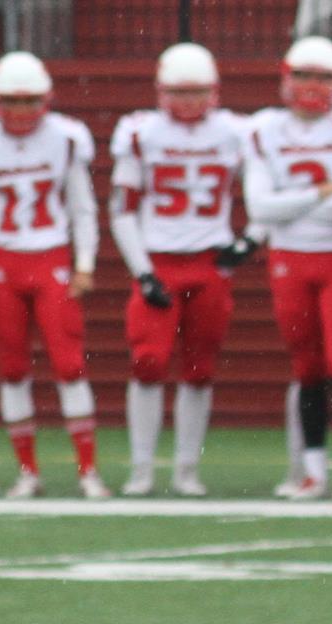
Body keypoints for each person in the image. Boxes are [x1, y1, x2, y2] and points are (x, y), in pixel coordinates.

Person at [0, 51, 105, 499]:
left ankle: (88, 471)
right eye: (11, 101)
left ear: (46, 100)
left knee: (70, 364)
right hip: (3, 259)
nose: (20, 111)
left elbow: (82, 206)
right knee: (13, 367)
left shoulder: (67, 138)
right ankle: (28, 472)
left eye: (29, 101)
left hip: (50, 255)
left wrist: (84, 263)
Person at [108, 43, 246, 498]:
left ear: (214, 91)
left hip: (209, 261)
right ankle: (142, 468)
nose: (188, 101)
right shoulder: (141, 132)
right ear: (161, 91)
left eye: (196, 92)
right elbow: (122, 208)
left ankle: (187, 469)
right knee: (147, 362)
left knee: (200, 369)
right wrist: (143, 270)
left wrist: (250, 239)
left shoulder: (235, 132)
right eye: (179, 92)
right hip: (159, 259)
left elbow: (266, 190)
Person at [245, 37, 332, 500]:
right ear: (286, 77)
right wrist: (319, 193)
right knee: (306, 365)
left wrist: (289, 205)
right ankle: (314, 472)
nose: (312, 86)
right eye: (303, 75)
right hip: (289, 258)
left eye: (323, 77)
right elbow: (258, 206)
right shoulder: (264, 127)